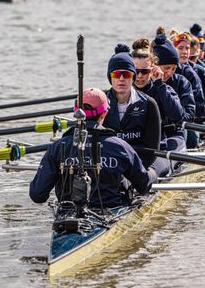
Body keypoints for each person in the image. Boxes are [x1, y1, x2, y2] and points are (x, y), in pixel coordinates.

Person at [29, 88, 157, 208]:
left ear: (76, 113)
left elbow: (37, 195)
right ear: (104, 114)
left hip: (67, 214)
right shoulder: (120, 147)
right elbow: (144, 185)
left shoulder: (57, 147)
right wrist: (152, 172)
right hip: (111, 211)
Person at [132, 38, 185, 176]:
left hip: (157, 150)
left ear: (152, 70)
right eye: (136, 71)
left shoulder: (162, 89)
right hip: (130, 148)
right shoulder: (123, 91)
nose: (139, 76)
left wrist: (159, 85)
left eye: (144, 71)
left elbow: (178, 116)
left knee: (143, 175)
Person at [102, 44, 161, 169]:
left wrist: (133, 173)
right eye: (117, 74)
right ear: (110, 77)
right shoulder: (100, 103)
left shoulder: (149, 104)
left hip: (139, 164)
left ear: (133, 77)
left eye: (126, 74)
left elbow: (151, 151)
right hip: (108, 165)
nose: (121, 79)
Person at [151, 32, 196, 145]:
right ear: (154, 66)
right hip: (152, 134)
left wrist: (160, 86)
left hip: (176, 132)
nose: (169, 73)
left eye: (174, 68)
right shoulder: (142, 81)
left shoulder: (182, 82)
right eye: (166, 68)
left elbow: (188, 117)